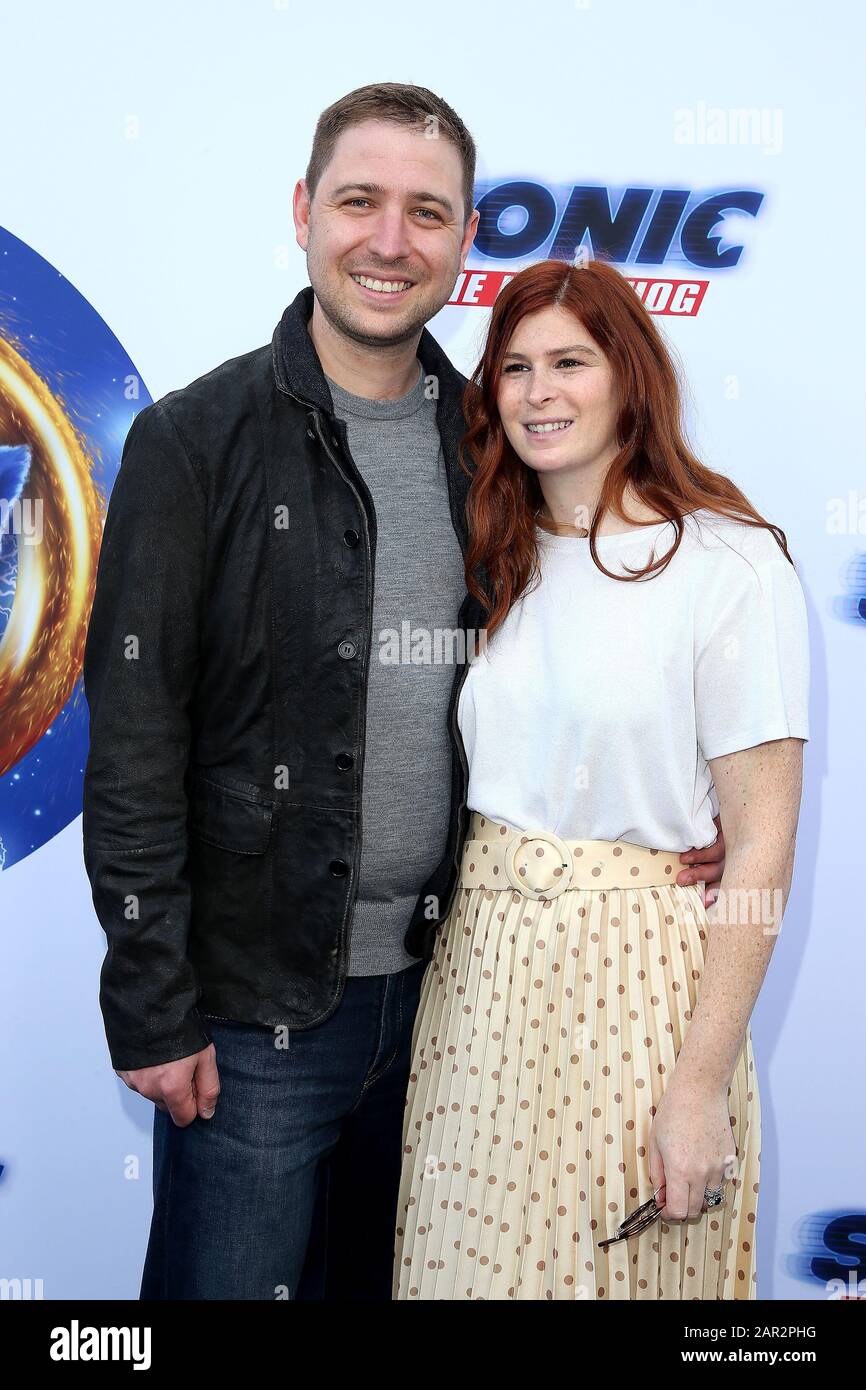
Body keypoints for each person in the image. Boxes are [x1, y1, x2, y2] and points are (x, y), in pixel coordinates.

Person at [81, 84, 727, 1302]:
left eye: (426, 212)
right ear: (301, 212)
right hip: (250, 1011)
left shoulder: (497, 443)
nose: (390, 241)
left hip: (462, 1000)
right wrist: (151, 1003)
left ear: (463, 240)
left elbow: (591, 647)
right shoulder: (194, 440)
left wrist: (681, 806)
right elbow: (131, 739)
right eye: (359, 202)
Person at [394, 256, 809, 1300]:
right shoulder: (491, 556)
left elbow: (759, 840)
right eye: (515, 367)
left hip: (640, 988)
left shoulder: (728, 564)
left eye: (569, 362)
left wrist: (699, 1085)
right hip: (477, 981)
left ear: (628, 376)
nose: (538, 393)